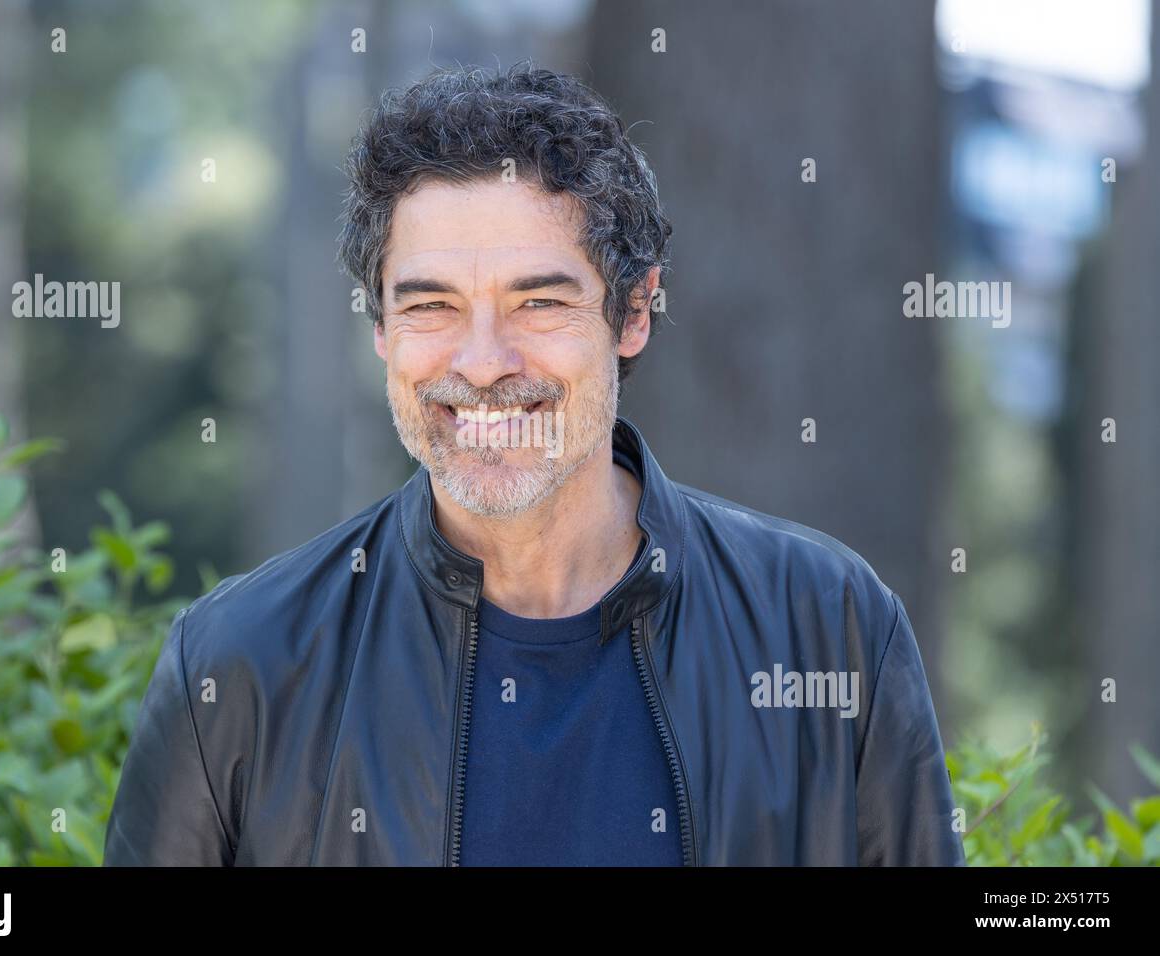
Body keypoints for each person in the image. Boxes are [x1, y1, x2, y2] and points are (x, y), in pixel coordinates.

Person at [103, 63, 964, 866]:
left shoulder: (829, 628)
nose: (481, 363)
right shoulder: (239, 665)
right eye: (432, 304)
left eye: (539, 302)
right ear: (380, 331)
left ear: (632, 313)